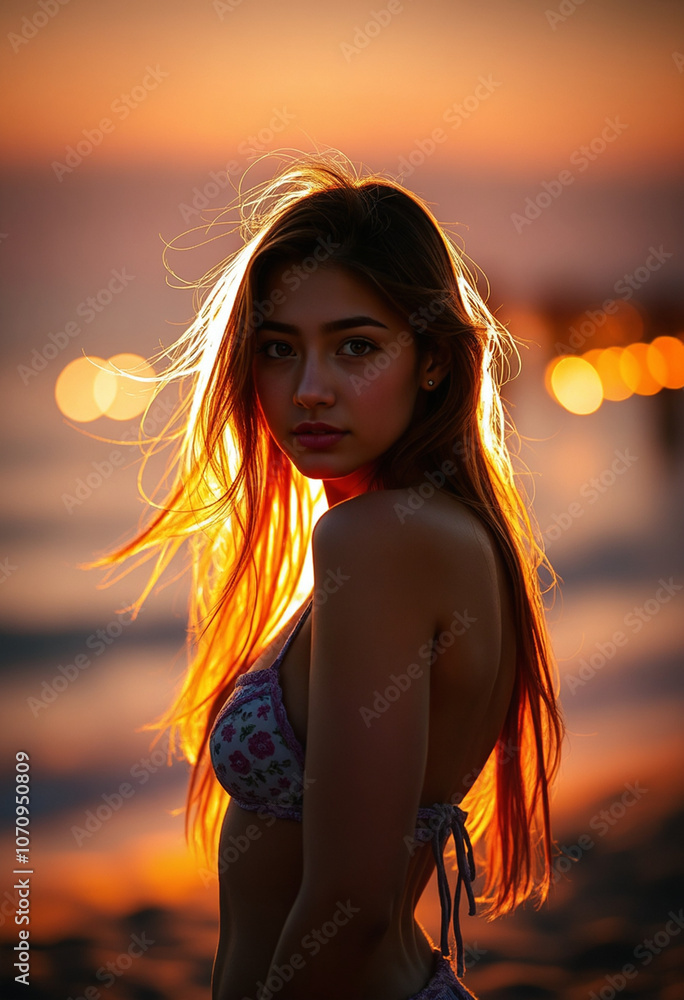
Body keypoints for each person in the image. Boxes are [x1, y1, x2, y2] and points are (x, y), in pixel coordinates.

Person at [94, 153, 565, 1000]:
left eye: (356, 347)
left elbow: (352, 913)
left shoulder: (379, 541)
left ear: (432, 359)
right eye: (280, 349)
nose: (310, 390)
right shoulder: (434, 530)